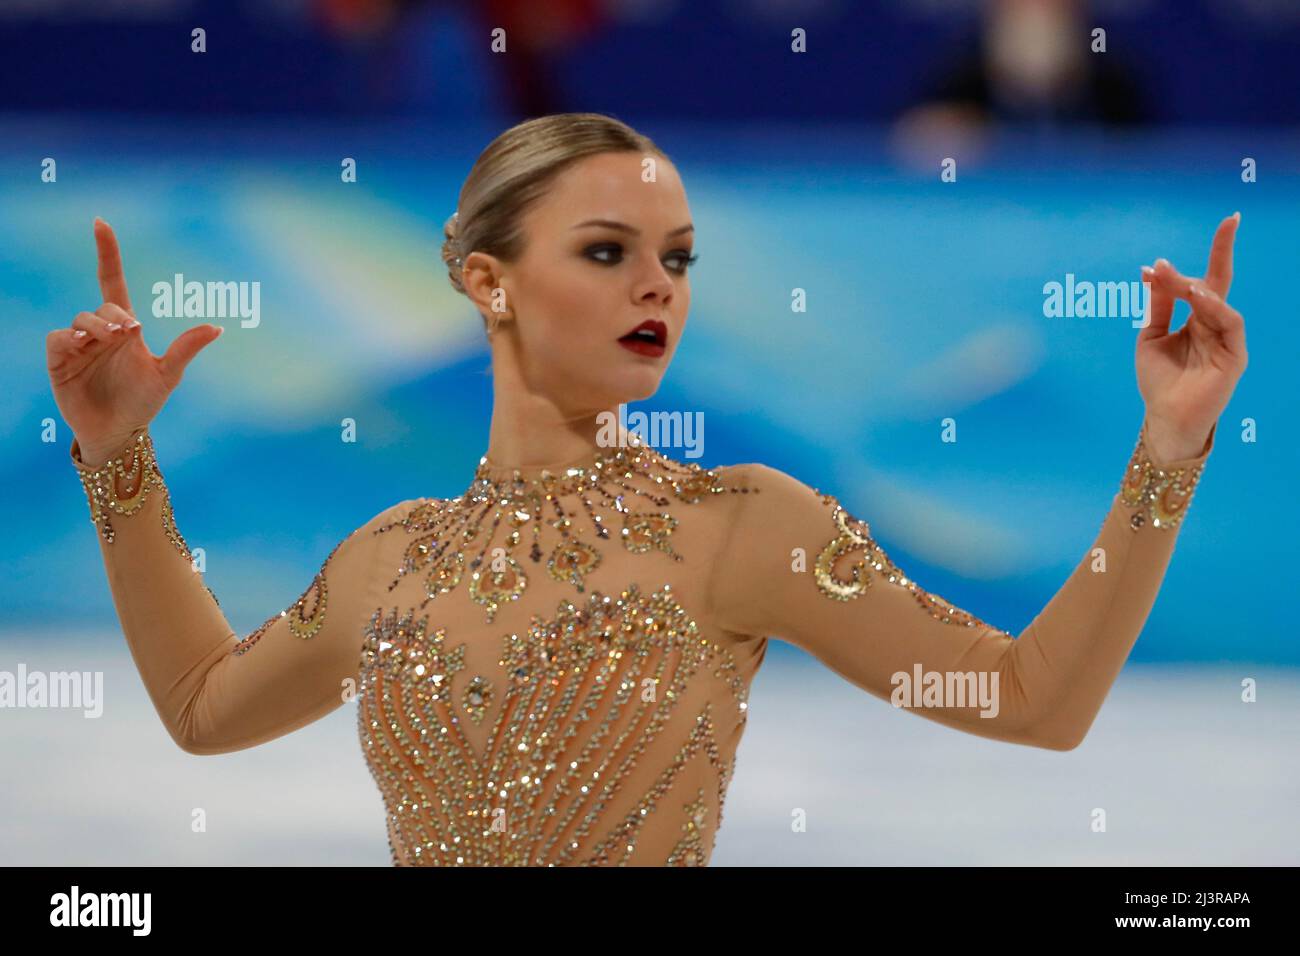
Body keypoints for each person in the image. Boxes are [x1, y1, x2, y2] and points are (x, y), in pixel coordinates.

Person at [46, 112, 1246, 867]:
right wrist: (117, 460)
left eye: (675, 259)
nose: (656, 287)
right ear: (489, 280)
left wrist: (1167, 454)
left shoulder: (740, 526)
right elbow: (205, 707)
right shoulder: (389, 557)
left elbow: (1032, 699)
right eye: (607, 251)